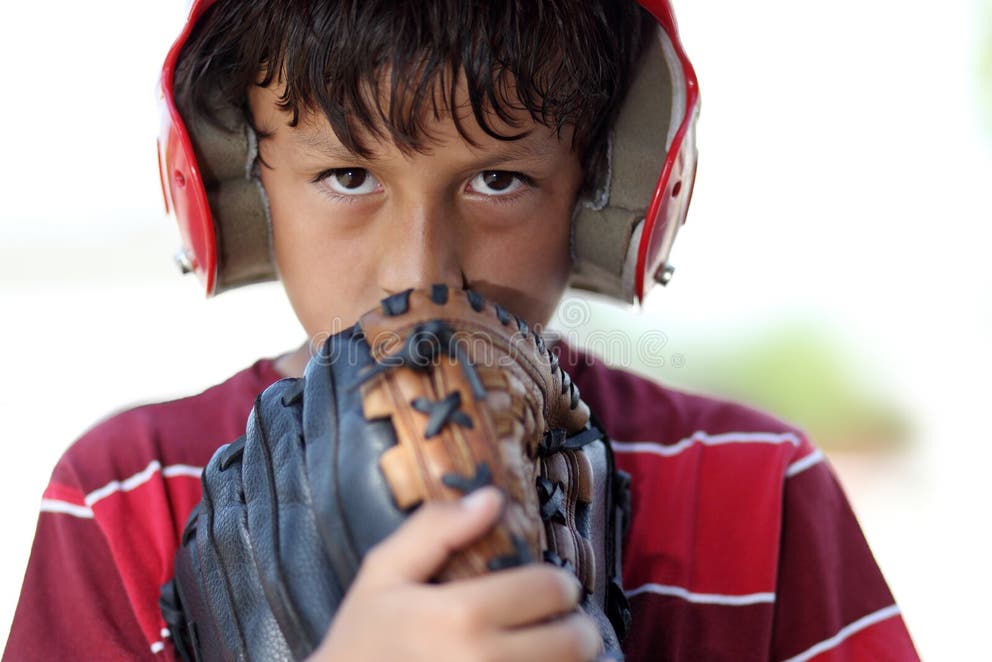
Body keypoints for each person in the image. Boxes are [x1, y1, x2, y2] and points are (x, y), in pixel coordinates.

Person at [4, 0, 919, 660]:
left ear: (605, 198)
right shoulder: (126, 495)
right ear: (243, 192)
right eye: (349, 177)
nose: (420, 273)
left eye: (497, 181)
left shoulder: (754, 488)